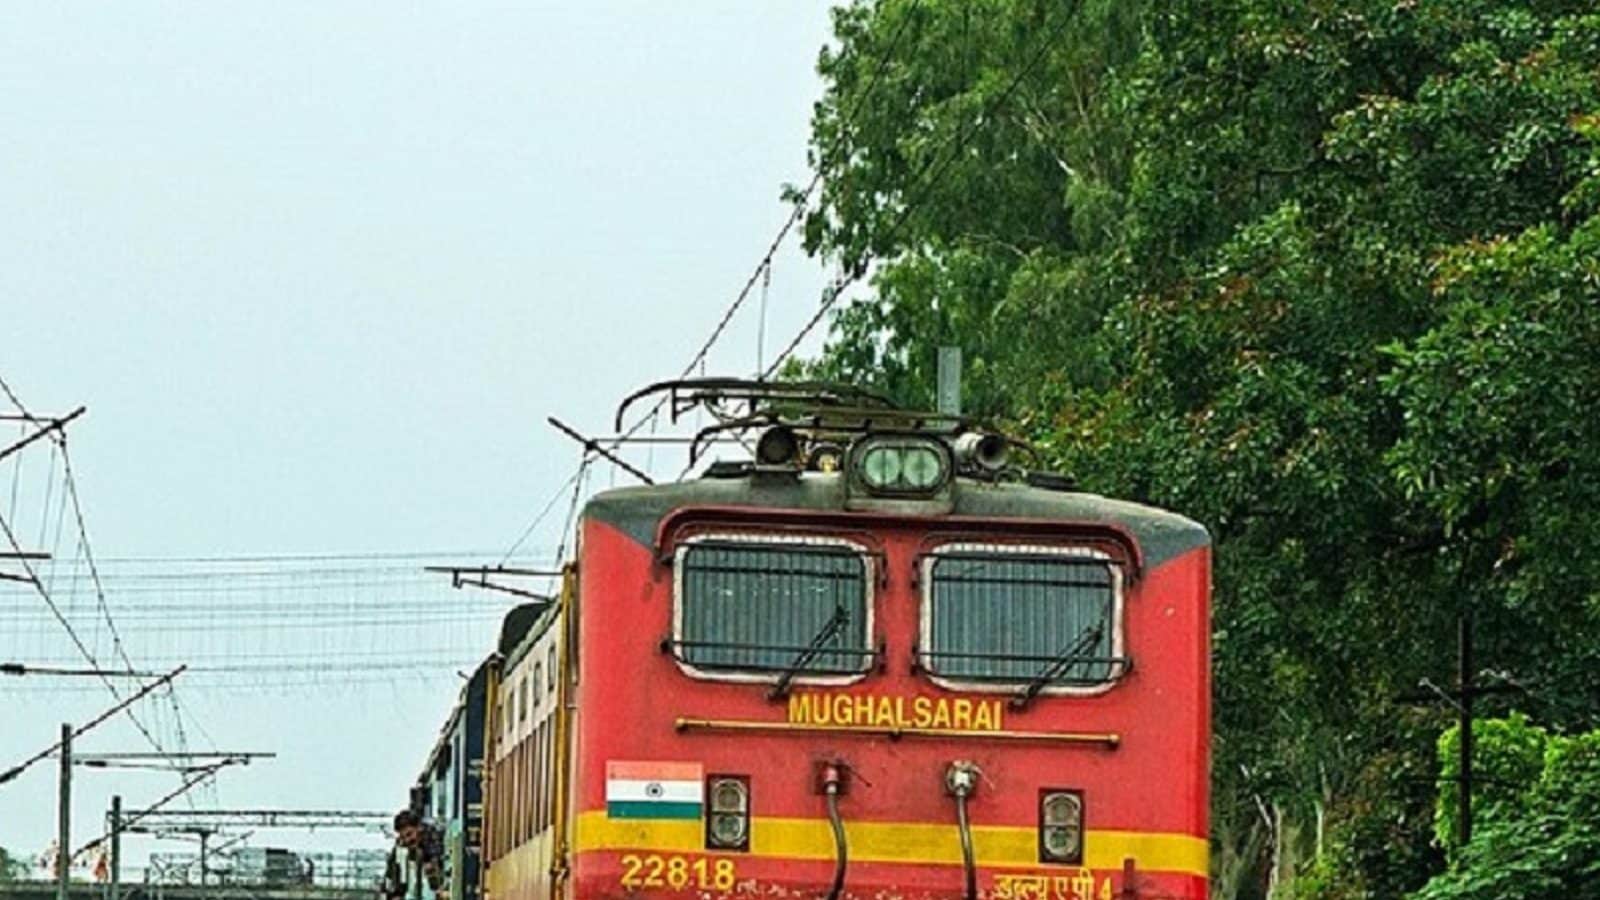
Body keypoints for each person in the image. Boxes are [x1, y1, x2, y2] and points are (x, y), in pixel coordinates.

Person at [393, 809, 447, 900]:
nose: (407, 840)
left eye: (409, 834)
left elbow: (433, 864)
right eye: (403, 837)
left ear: (419, 827)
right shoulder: (415, 845)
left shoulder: (432, 838)